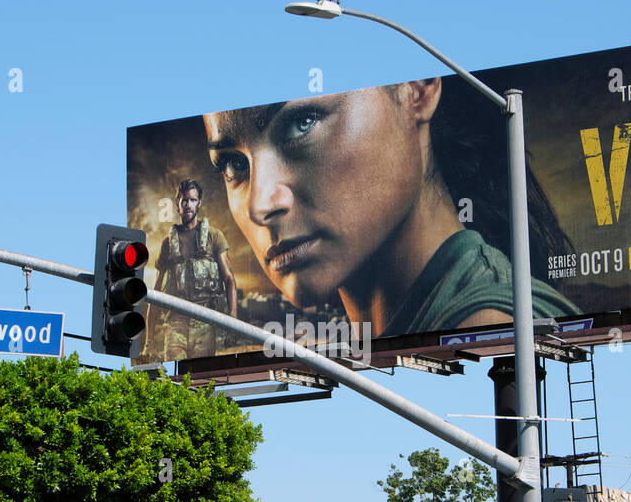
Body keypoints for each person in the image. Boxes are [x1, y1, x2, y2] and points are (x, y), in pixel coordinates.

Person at [201, 77, 578, 340]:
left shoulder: (489, 329)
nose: (260, 205)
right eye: (233, 164)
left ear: (418, 89)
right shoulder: (406, 331)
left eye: (303, 123)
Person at [149, 179, 238, 360]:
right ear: (177, 204)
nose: (188, 205)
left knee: (202, 373)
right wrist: (148, 341)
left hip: (204, 319)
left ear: (199, 203)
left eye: (192, 200)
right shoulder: (168, 243)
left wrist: (233, 320)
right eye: (184, 200)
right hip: (176, 321)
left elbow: (229, 279)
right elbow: (156, 293)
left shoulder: (214, 236)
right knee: (176, 374)